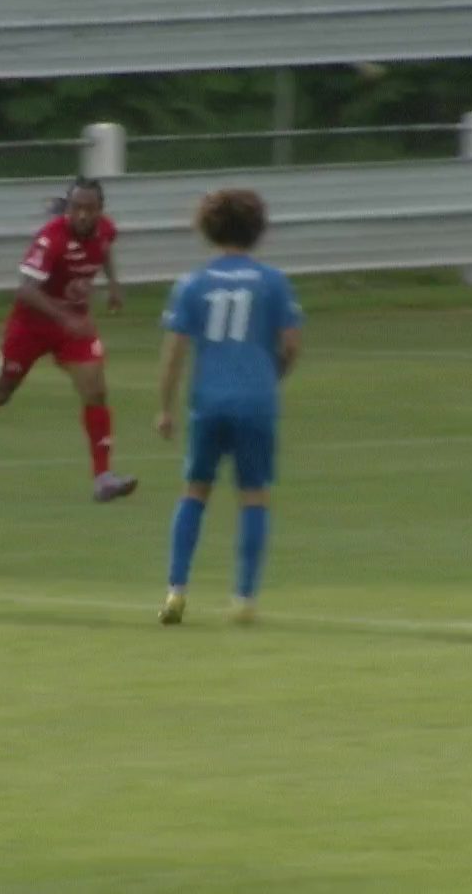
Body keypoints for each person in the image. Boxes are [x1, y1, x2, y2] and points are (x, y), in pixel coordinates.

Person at [0, 177, 137, 502]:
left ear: (100, 210)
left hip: (73, 327)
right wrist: (64, 317)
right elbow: (26, 290)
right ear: (67, 208)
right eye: (76, 208)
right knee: (1, 392)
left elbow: (105, 251)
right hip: (30, 327)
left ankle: (103, 477)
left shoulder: (105, 230)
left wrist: (113, 285)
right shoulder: (51, 239)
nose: (83, 215)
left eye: (90, 208)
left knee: (95, 390)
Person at [154, 191, 303, 626]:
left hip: (208, 401)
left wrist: (165, 408)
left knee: (195, 491)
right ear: (257, 229)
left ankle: (176, 591)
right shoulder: (273, 281)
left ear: (209, 228)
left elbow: (174, 353)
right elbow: (292, 346)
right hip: (255, 401)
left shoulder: (193, 284)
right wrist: (268, 376)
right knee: (253, 495)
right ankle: (243, 598)